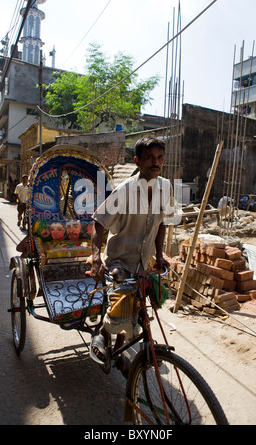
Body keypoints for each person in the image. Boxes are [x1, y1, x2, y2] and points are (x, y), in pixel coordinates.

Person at [89, 136, 173, 376]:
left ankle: (119, 352)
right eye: (150, 158)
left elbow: (162, 223)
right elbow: (99, 222)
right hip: (119, 260)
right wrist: (96, 257)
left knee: (139, 309)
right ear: (138, 161)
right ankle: (102, 335)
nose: (156, 163)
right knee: (122, 300)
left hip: (143, 263)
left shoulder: (165, 188)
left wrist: (159, 254)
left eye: (159, 158)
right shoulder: (125, 190)